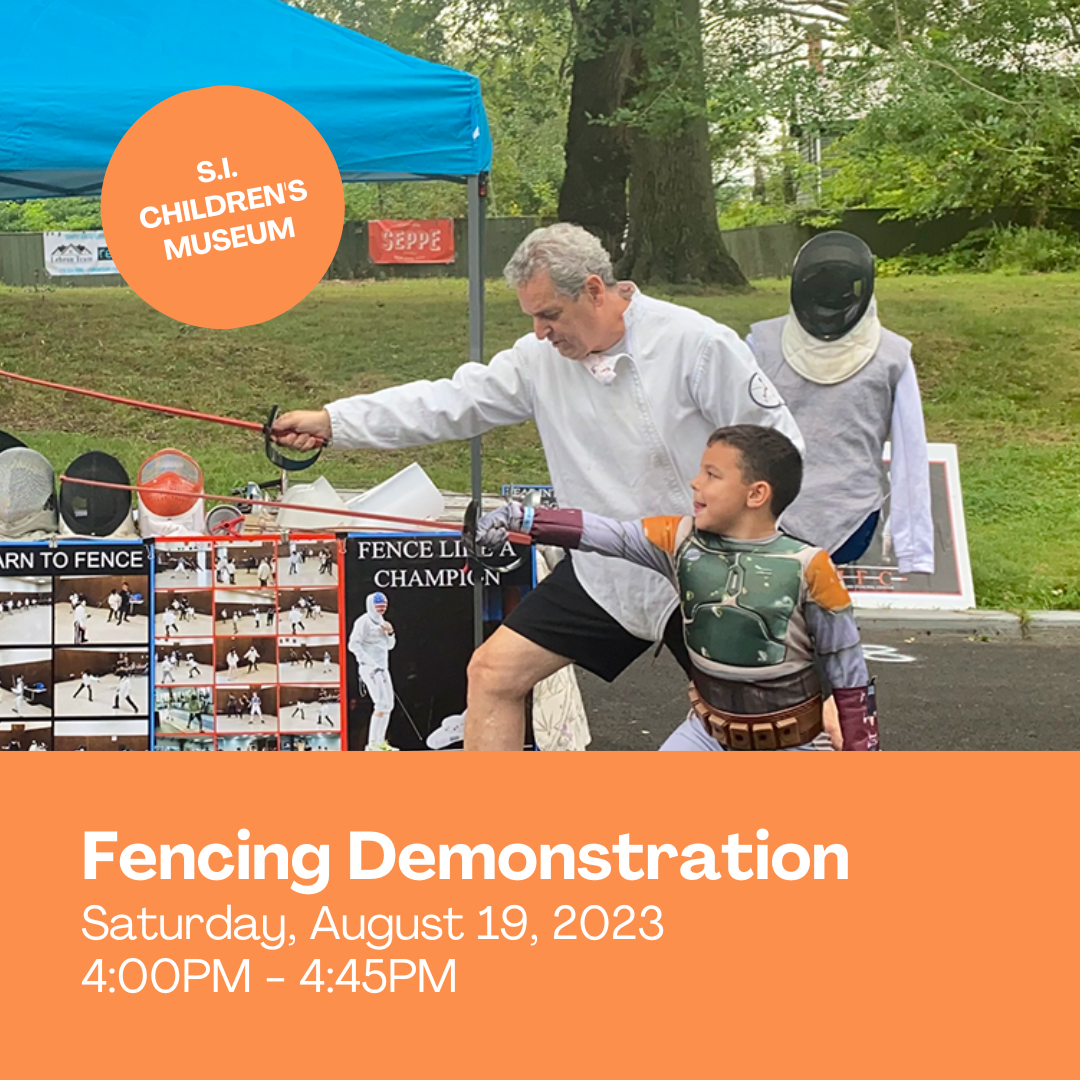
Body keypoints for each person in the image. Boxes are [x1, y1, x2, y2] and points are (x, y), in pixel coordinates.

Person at [271, 222, 803, 752]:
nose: (541, 331)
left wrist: (765, 567)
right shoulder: (536, 359)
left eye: (550, 314)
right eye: (532, 316)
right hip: (605, 571)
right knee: (492, 673)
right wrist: (332, 421)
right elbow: (449, 401)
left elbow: (780, 452)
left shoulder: (697, 344)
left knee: (759, 724)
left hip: (707, 573)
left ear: (595, 290)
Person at [477, 425, 879, 752]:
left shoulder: (811, 567)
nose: (694, 482)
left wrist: (861, 749)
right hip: (707, 736)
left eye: (712, 475)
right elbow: (606, 533)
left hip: (793, 746)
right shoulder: (678, 539)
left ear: (757, 494)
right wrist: (522, 517)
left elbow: (849, 673)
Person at [745, 232, 933, 573]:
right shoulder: (761, 345)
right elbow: (732, 436)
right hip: (772, 516)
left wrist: (914, 550)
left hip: (851, 522)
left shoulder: (892, 355)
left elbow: (911, 454)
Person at [348, 592, 398, 751]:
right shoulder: (363, 622)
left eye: (383, 605)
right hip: (370, 669)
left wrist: (390, 633)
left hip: (383, 668)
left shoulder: (383, 622)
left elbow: (389, 646)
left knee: (389, 705)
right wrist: (369, 663)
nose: (381, 608)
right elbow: (353, 645)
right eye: (378, 605)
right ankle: (372, 743)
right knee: (381, 704)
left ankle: (380, 741)